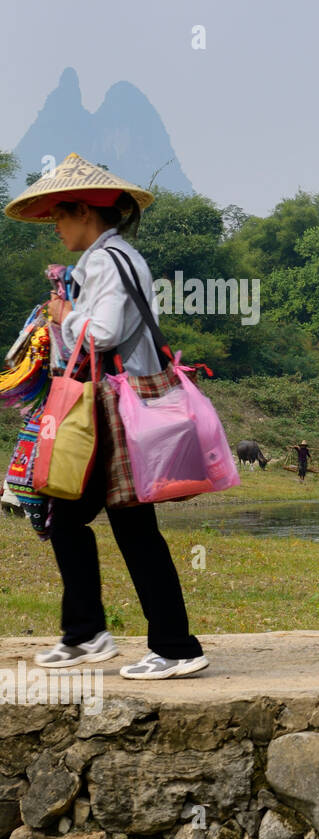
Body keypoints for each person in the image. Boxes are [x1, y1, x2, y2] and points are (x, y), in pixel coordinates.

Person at [6, 153, 209, 679]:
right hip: (105, 405)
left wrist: (63, 316)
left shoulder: (103, 261)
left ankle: (176, 647)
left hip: (113, 407)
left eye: (60, 216)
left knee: (132, 525)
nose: (56, 227)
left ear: (86, 212)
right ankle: (85, 633)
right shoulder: (114, 257)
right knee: (65, 512)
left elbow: (102, 335)